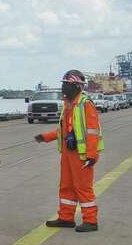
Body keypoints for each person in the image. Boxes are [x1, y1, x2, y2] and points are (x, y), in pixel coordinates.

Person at [36, 69, 103, 232]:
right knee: (66, 186)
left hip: (81, 154)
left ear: (76, 86)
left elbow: (93, 131)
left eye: (66, 84)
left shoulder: (85, 104)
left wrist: (92, 155)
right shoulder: (69, 105)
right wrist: (46, 137)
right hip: (68, 153)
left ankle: (90, 221)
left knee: (83, 187)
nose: (63, 88)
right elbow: (64, 131)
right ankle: (66, 217)